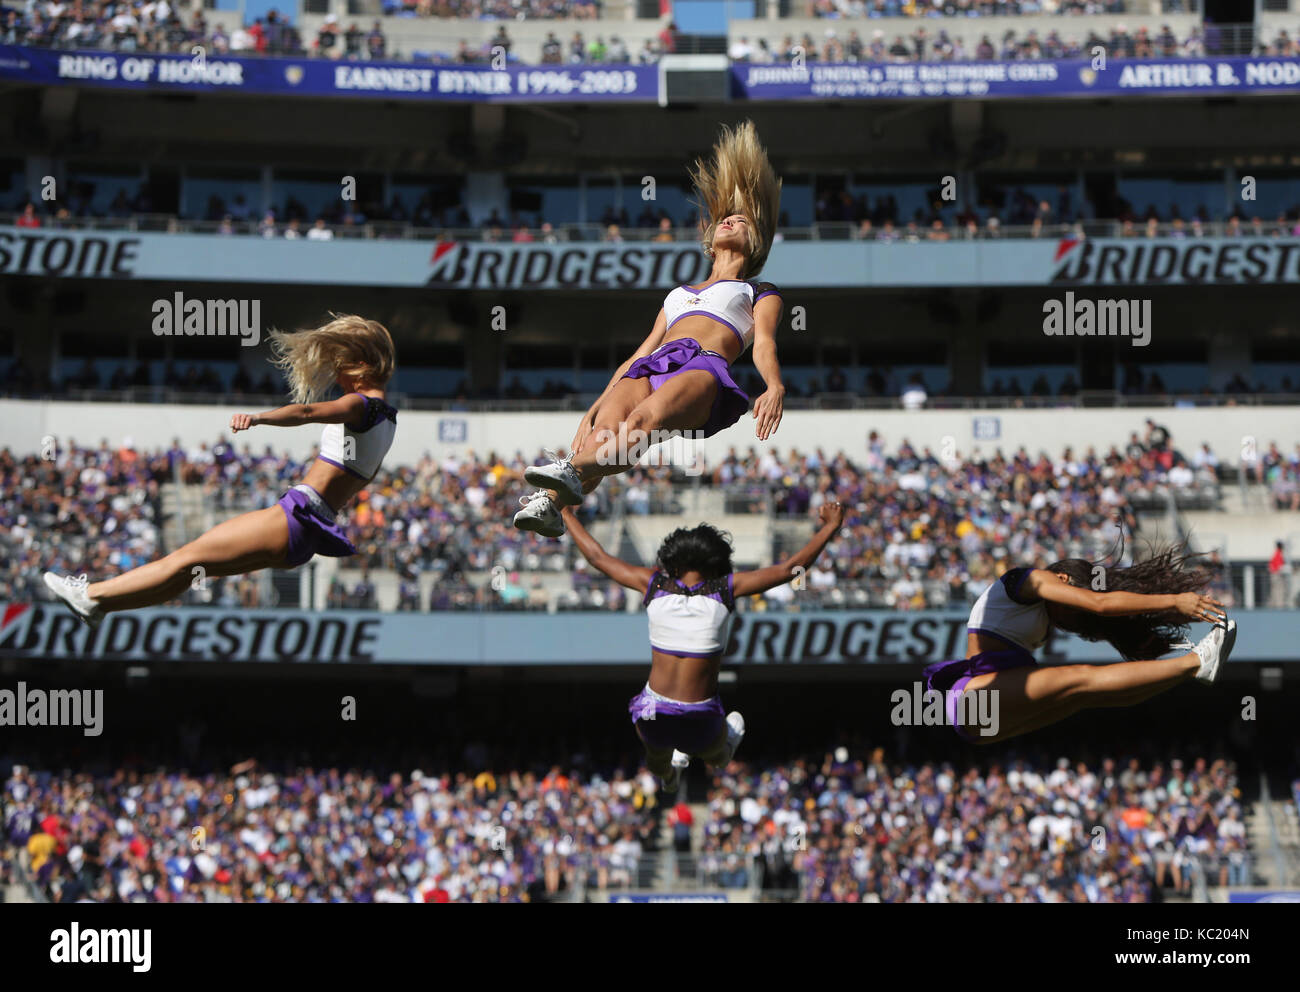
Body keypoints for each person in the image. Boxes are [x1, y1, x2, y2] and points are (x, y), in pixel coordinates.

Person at [515, 120, 785, 538]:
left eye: (742, 221)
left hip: (703, 365)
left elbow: (764, 343)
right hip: (652, 365)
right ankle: (551, 505)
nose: (731, 221)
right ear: (710, 239)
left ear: (757, 244)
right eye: (726, 218)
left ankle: (568, 471)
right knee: (605, 433)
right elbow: (640, 354)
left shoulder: (758, 291)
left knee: (640, 426)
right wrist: (596, 404)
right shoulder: (677, 294)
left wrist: (774, 385)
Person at [44, 316, 397, 626]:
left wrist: (258, 418)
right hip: (305, 537)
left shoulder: (361, 405)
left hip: (293, 518)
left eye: (340, 366)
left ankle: (90, 593)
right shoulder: (389, 422)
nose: (335, 374)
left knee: (185, 558)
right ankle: (101, 605)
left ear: (361, 366)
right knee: (192, 571)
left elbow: (306, 413)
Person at [561, 500, 846, 790]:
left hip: (651, 709)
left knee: (656, 760)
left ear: (672, 557)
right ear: (716, 561)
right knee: (719, 757)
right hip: (700, 714)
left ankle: (670, 776)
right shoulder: (725, 589)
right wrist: (830, 527)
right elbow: (789, 570)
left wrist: (567, 513)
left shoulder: (654, 584)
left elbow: (597, 557)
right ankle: (717, 743)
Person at [921, 543, 1236, 744]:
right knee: (1081, 677)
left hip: (982, 722)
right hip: (970, 701)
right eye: (1072, 602)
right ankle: (1195, 663)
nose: (1070, 617)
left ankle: (1191, 670)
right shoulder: (1028, 579)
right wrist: (1174, 602)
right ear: (1063, 580)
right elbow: (1100, 604)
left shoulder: (1040, 619)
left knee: (1084, 695)